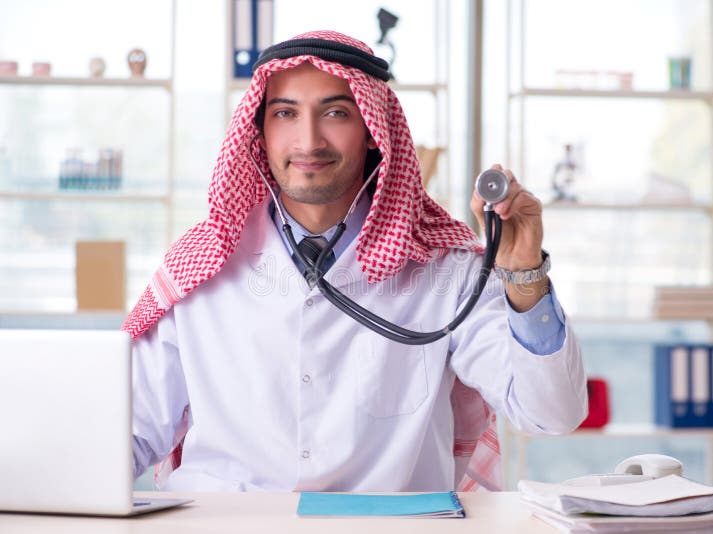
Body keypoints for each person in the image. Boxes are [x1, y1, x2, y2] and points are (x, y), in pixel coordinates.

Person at [124, 30, 587, 492]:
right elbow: (128, 434)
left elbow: (551, 414)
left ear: (372, 130)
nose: (309, 140)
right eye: (285, 113)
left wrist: (525, 277)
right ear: (259, 134)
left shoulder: (446, 266)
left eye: (335, 113)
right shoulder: (200, 266)